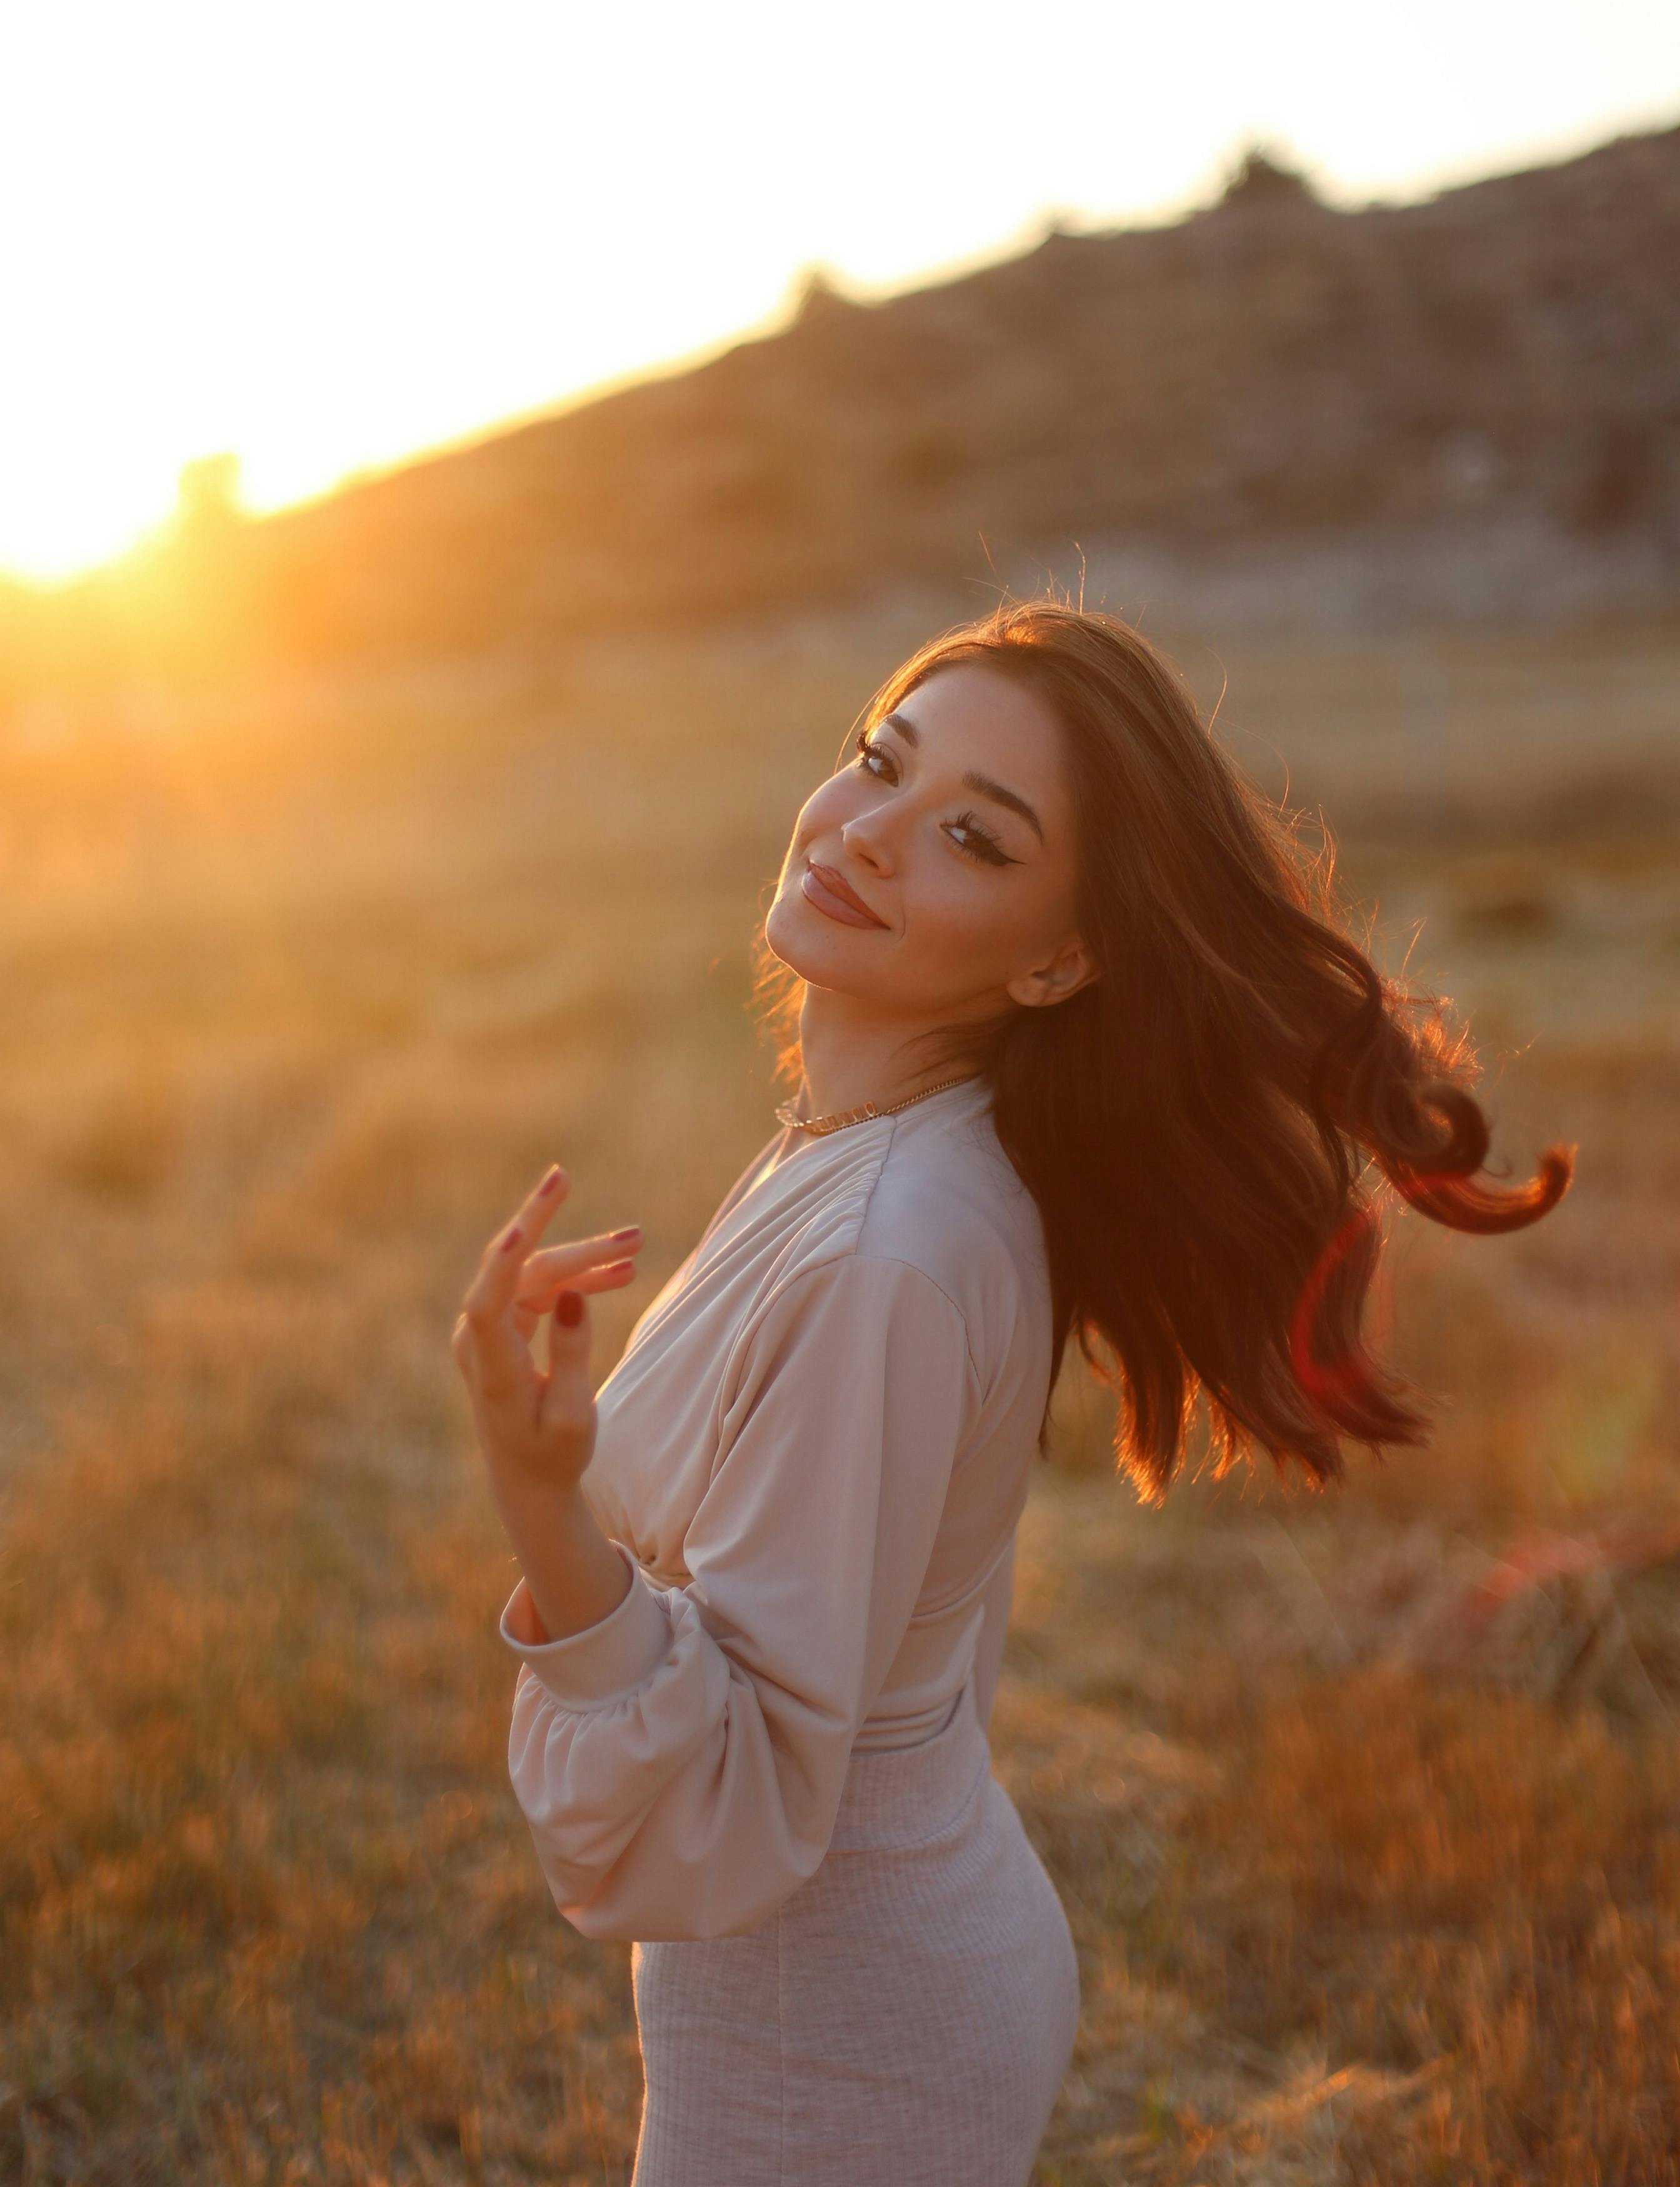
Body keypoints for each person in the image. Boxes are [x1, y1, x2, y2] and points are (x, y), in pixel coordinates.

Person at [450, 596, 1572, 2186]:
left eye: (974, 838)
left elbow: (738, 1798)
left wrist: (538, 1497)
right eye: (878, 763)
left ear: (1061, 962)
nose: (868, 834)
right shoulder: (904, 1158)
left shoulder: (890, 1250)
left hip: (829, 2038)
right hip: (888, 1971)